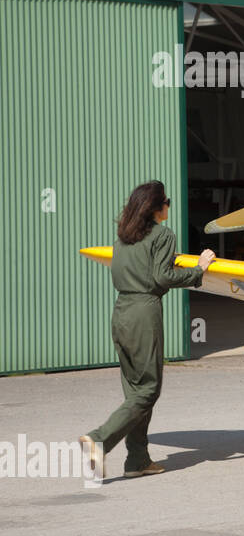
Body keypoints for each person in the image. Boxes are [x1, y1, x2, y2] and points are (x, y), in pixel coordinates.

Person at [79, 181, 215, 478]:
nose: (168, 205)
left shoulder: (123, 238)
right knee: (149, 389)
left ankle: (137, 460)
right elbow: (161, 277)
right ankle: (98, 440)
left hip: (121, 311)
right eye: (167, 201)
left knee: (134, 392)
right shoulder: (163, 235)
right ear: (156, 207)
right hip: (144, 311)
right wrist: (199, 270)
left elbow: (123, 271)